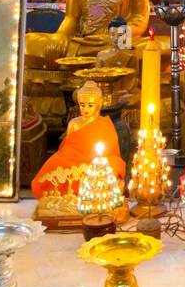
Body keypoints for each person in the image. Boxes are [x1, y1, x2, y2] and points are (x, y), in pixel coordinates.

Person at [32, 80, 125, 208]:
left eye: (90, 105)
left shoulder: (105, 124)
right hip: (74, 161)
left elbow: (112, 152)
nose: (85, 109)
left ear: (99, 104)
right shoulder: (74, 123)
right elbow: (67, 148)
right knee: (53, 164)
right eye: (82, 105)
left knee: (111, 166)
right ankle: (62, 195)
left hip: (96, 163)